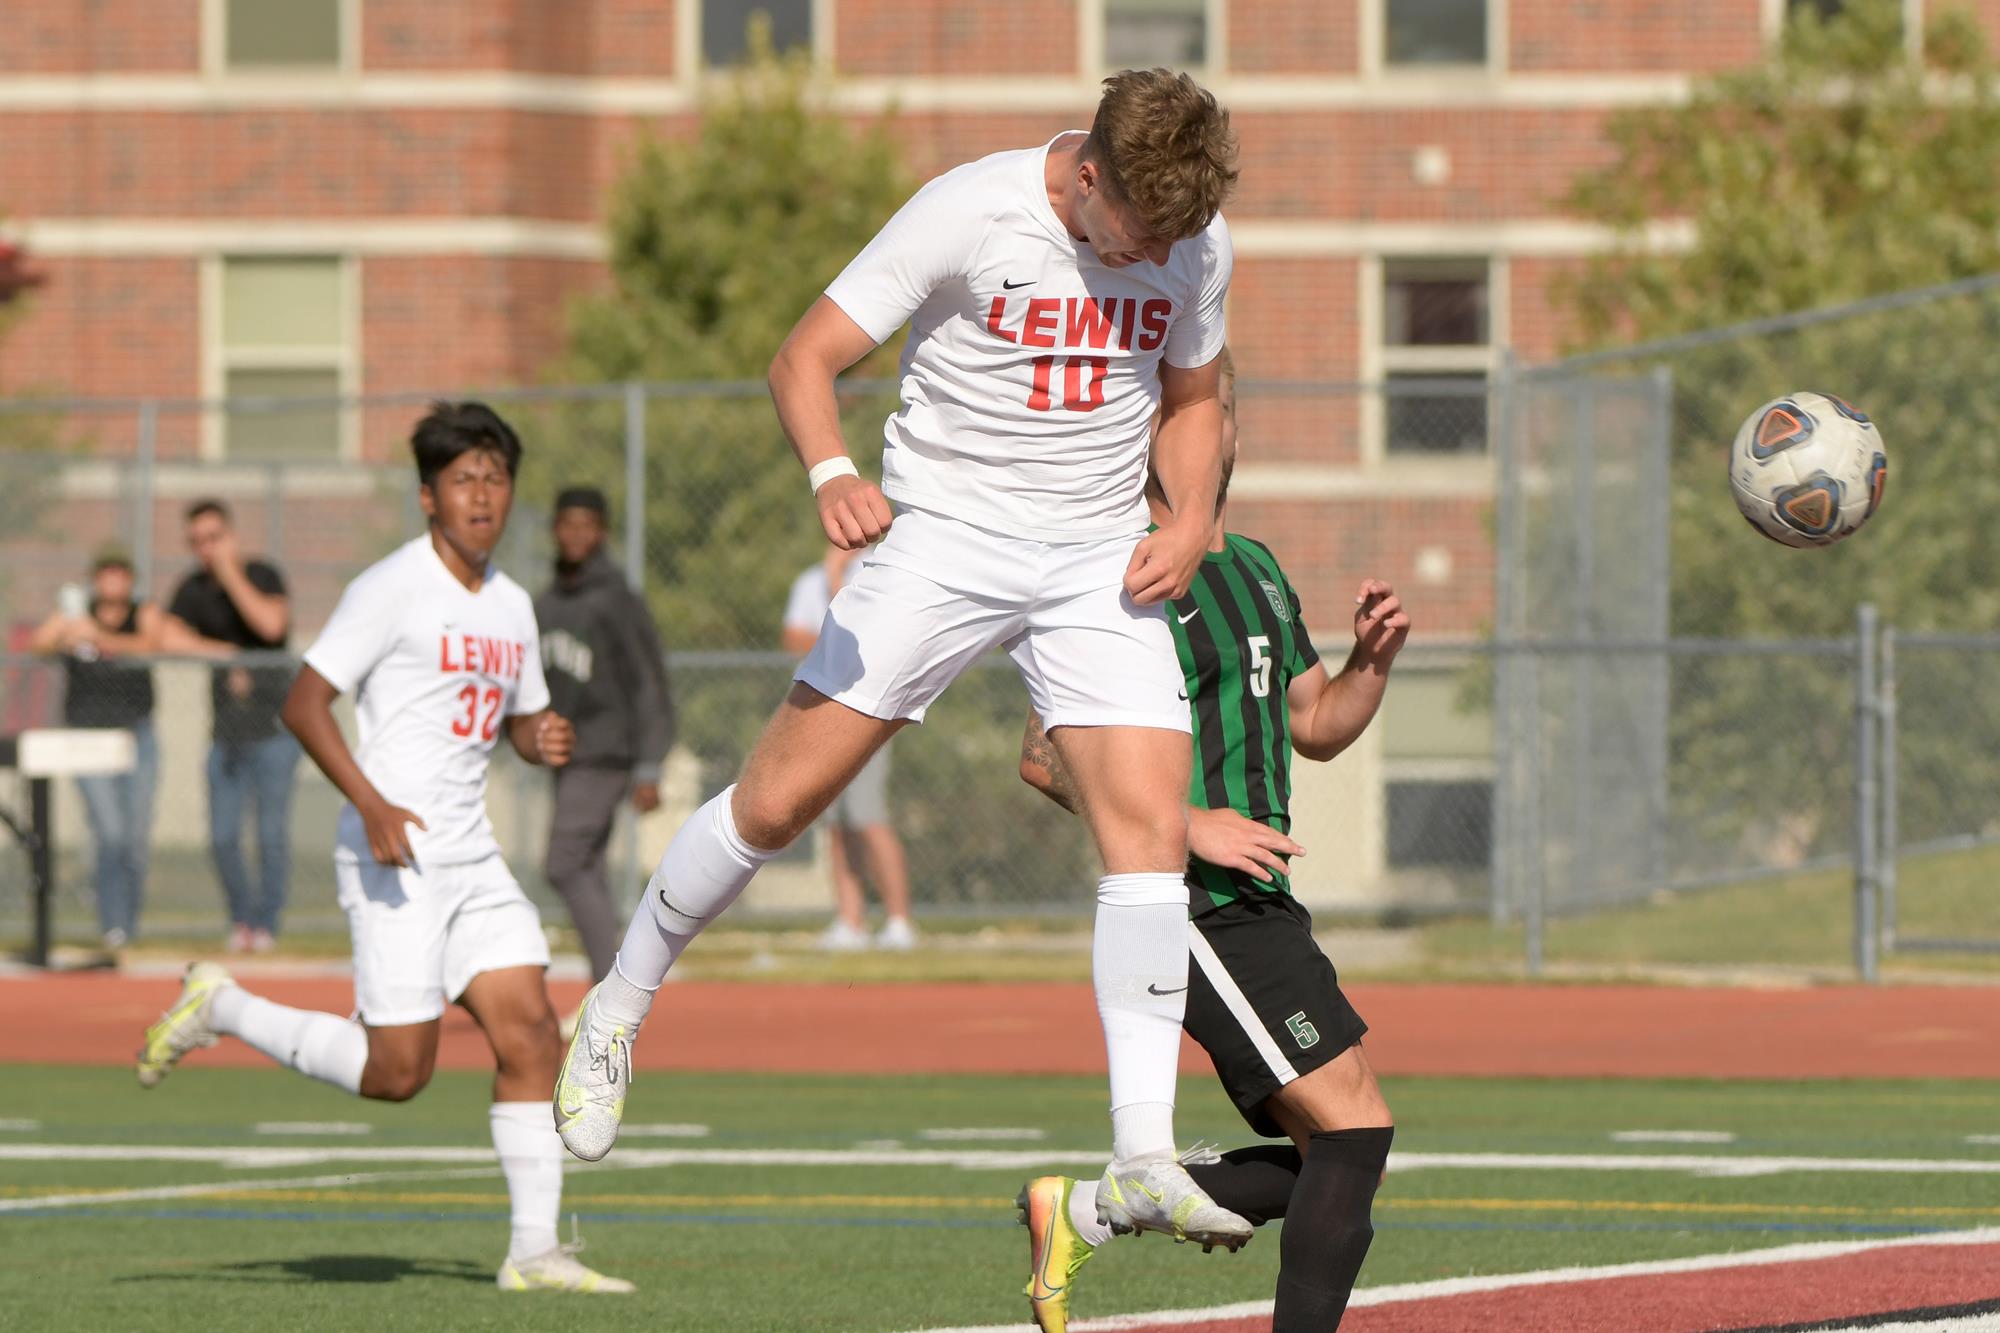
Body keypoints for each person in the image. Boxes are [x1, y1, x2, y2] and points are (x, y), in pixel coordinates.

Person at [556, 67, 1251, 1250]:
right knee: (776, 805)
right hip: (943, 540)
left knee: (1145, 835)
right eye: (1138, 232)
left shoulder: (1194, 239)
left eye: (1173, 239)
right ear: (1087, 176)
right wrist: (832, 474)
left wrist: (1188, 521)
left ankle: (1140, 1155)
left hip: (1096, 554)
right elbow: (802, 358)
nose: (1154, 257)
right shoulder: (970, 209)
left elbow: (1193, 398)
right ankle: (617, 1004)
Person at [136, 402, 632, 1295]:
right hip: (393, 853)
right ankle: (225, 1005)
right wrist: (368, 801)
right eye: (463, 480)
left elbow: (520, 721)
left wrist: (540, 737)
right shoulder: (391, 586)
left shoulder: (513, 604)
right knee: (398, 1072)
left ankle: (534, 1253)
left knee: (530, 1033)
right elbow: (304, 703)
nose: (482, 495)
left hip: (472, 857)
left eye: (495, 478)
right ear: (428, 497)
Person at [1014, 353, 1408, 1332]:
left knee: (1339, 1152)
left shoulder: (1258, 567)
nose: (1214, 424)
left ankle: (1089, 1210)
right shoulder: (1122, 568)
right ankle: (1101, 1204)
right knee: (1354, 1130)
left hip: (1260, 902)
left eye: (1224, 406)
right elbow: (1042, 756)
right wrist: (1187, 824)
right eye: (1191, 406)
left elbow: (1314, 722)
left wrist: (1369, 661)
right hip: (1189, 903)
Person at [535, 486, 675, 983]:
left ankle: (611, 981)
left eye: (586, 525)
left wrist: (650, 765)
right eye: (567, 524)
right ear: (554, 529)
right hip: (567, 756)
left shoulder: (616, 600)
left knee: (564, 863)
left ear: (602, 533)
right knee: (586, 865)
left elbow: (649, 682)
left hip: (608, 751)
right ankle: (612, 985)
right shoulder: (546, 603)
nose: (576, 534)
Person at [166, 499, 299, 952]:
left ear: (232, 536)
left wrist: (230, 574)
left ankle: (267, 926)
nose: (206, 549)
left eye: (214, 538)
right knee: (223, 837)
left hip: (274, 731)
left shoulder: (262, 575)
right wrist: (228, 655)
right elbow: (165, 637)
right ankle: (241, 919)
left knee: (271, 836)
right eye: (197, 542)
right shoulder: (192, 590)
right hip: (225, 734)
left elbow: (271, 625)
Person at [781, 543, 915, 951]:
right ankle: (850, 920)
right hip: (818, 710)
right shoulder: (809, 581)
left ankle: (899, 922)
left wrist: (836, 578)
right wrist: (827, 579)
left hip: (866, 709)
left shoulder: (881, 574)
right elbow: (794, 639)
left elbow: (864, 641)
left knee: (867, 816)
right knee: (836, 823)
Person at [28, 554, 163, 953]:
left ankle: (130, 924)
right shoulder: (76, 614)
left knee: (135, 837)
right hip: (88, 736)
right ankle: (112, 925)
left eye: (120, 575)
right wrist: (64, 633)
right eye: (105, 575)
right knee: (109, 833)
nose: (112, 583)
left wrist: (101, 639)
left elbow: (150, 646)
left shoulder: (142, 613)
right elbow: (36, 645)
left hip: (136, 734)